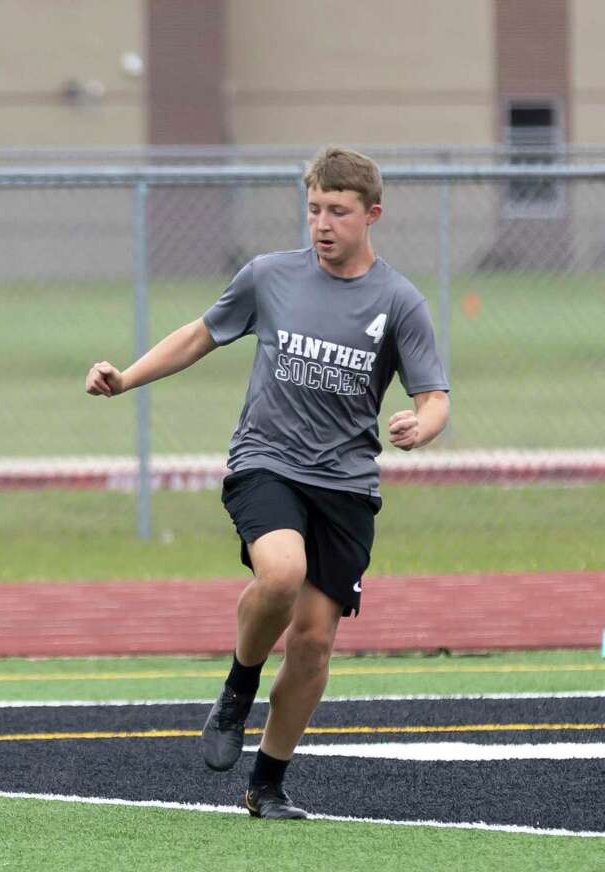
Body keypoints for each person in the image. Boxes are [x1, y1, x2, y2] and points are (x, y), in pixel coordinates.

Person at [85, 147, 449, 819]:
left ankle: (269, 781)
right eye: (313, 209)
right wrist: (126, 378)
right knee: (280, 573)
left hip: (345, 485)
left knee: (313, 642)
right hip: (268, 462)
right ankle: (237, 687)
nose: (322, 224)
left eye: (337, 212)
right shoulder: (270, 276)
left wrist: (421, 426)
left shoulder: (399, 302)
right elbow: (200, 335)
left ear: (372, 216)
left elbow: (435, 397)